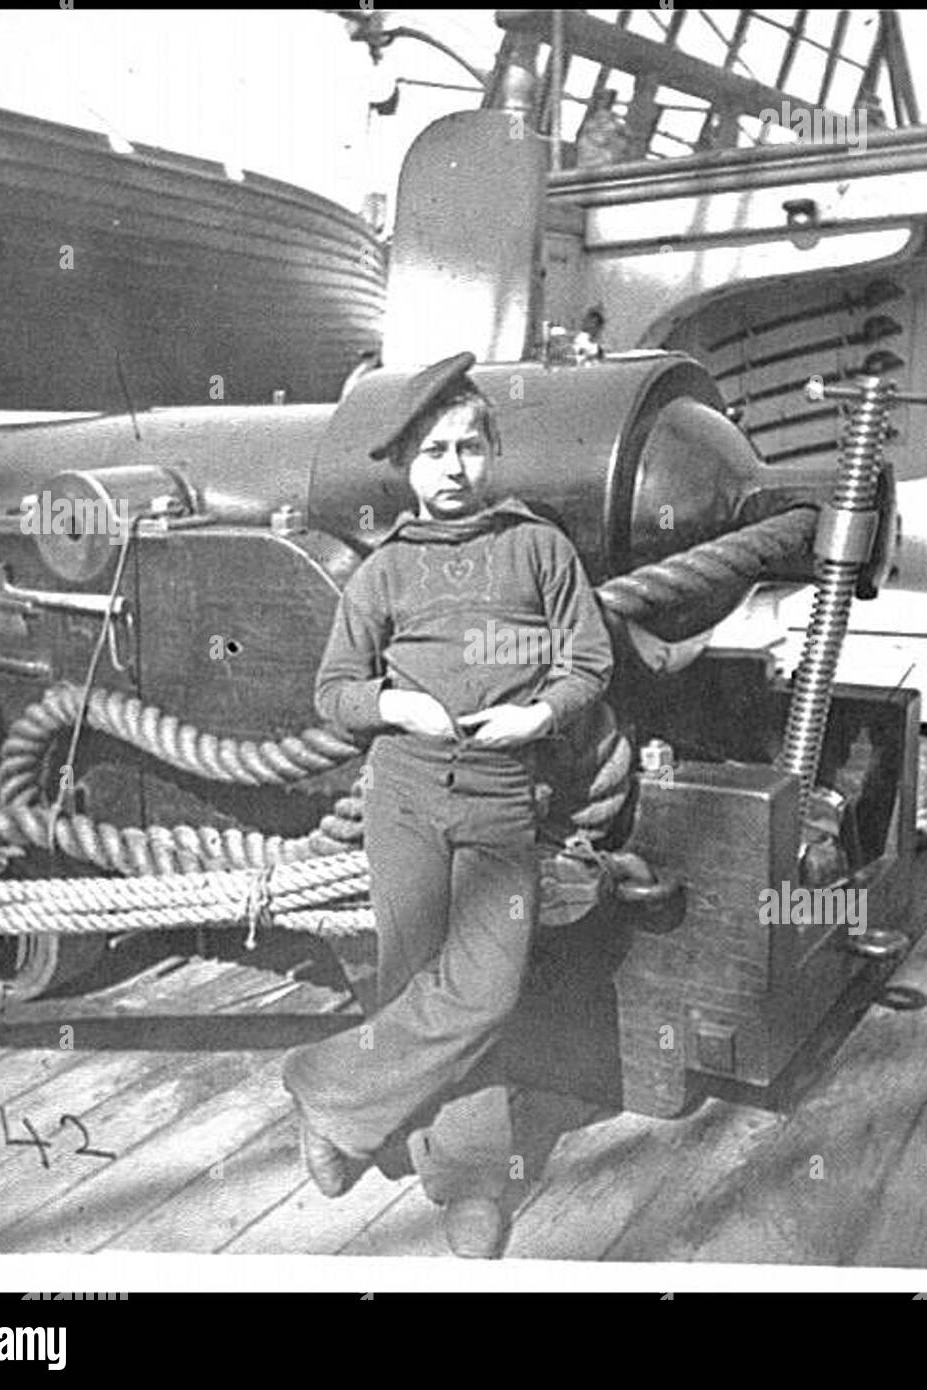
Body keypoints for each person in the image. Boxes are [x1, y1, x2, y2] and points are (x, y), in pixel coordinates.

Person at [282, 351, 614, 1258]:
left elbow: (588, 661)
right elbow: (335, 690)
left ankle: (329, 1091)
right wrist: (397, 705)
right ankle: (464, 1180)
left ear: (493, 453)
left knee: (485, 989)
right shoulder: (384, 570)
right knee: (411, 979)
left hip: (504, 794)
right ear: (407, 468)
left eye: (470, 446)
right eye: (434, 452)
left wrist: (538, 713)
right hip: (405, 793)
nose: (454, 468)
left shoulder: (539, 547)